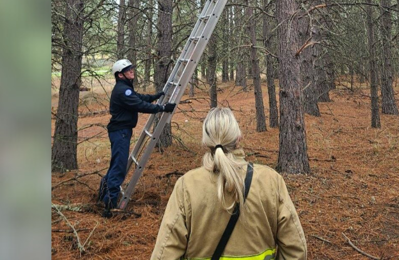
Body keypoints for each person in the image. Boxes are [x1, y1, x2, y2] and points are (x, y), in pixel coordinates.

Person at [150, 107, 307, 260]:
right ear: (238, 138)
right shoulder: (271, 181)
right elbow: (295, 250)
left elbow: (164, 254)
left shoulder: (187, 186)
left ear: (206, 143)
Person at [98, 59, 176, 217]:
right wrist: (162, 108)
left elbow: (138, 97)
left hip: (121, 131)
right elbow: (139, 105)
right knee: (119, 167)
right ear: (120, 75)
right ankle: (110, 205)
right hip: (120, 132)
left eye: (131, 69)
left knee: (116, 164)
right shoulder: (123, 90)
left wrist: (154, 96)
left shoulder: (125, 88)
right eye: (128, 70)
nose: (132, 71)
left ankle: (103, 196)